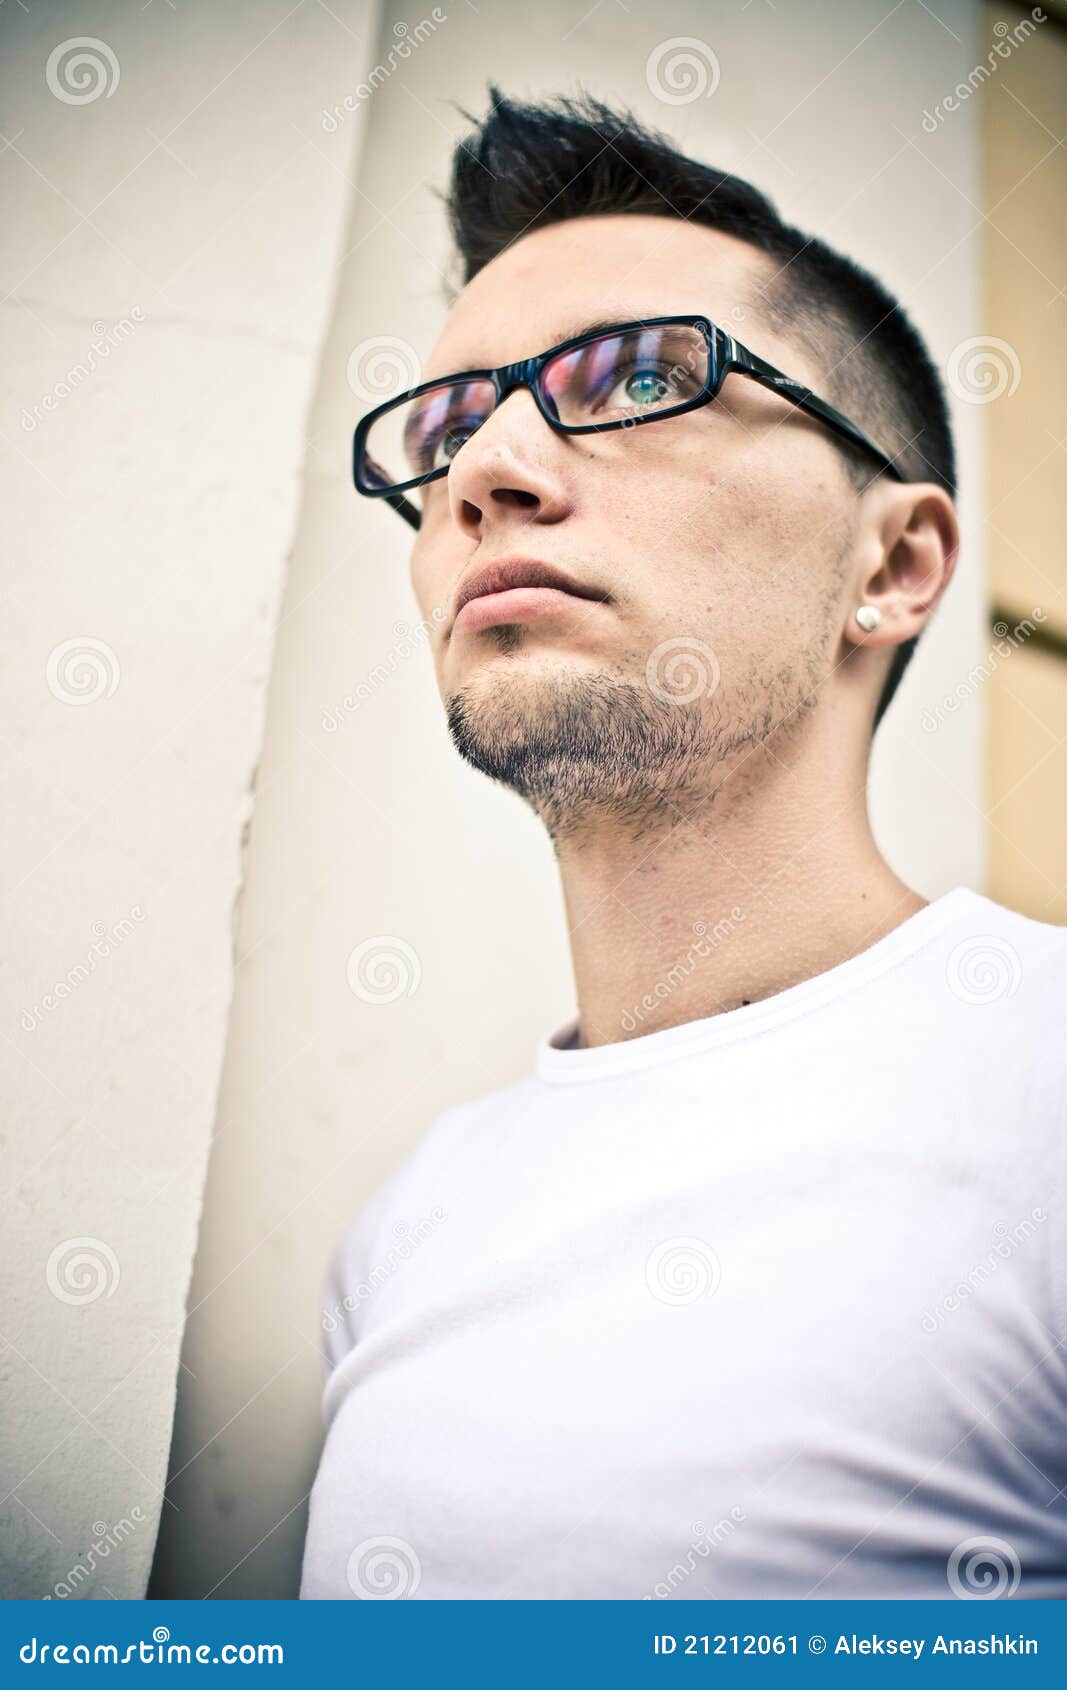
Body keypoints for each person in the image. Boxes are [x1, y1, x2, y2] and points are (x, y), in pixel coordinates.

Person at [300, 91, 1067, 1600]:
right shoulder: (403, 1231)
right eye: (448, 423)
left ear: (895, 562)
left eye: (637, 374)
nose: (482, 470)